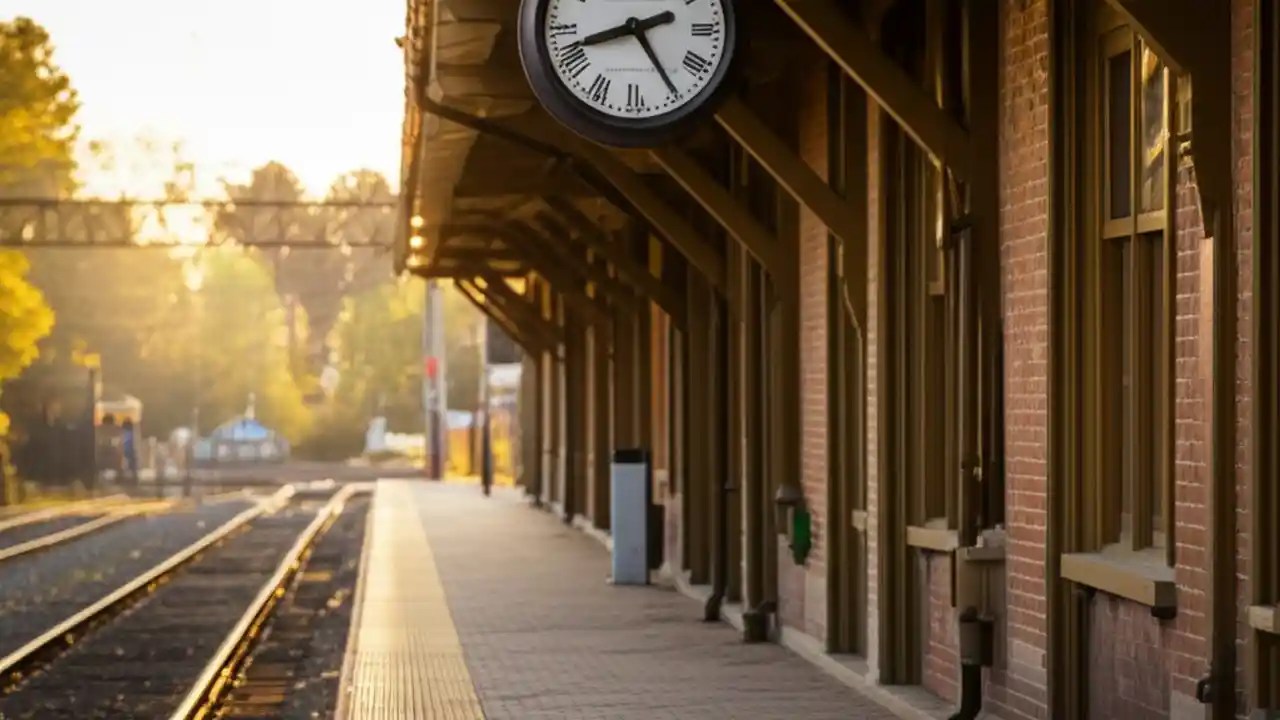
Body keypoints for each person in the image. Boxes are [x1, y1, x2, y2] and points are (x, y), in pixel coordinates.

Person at [121, 418, 138, 488]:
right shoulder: (132, 434)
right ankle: (134, 479)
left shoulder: (122, 433)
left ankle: (122, 478)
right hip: (130, 452)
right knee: (133, 465)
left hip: (124, 451)